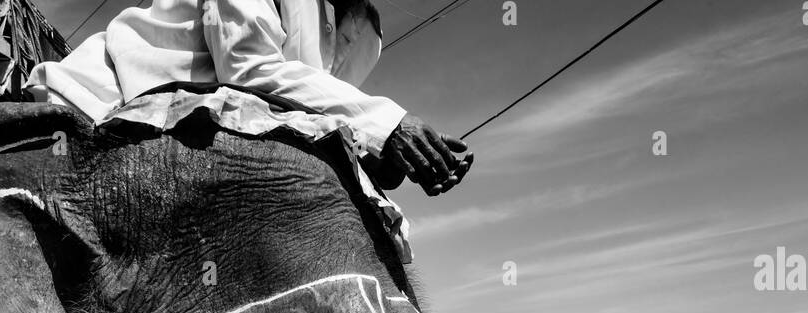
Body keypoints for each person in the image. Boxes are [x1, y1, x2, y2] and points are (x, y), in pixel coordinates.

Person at [26, 0, 473, 196]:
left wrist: (381, 157)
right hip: (96, 112)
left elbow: (312, 109)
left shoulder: (361, 31)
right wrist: (384, 126)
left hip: (204, 139)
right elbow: (246, 68)